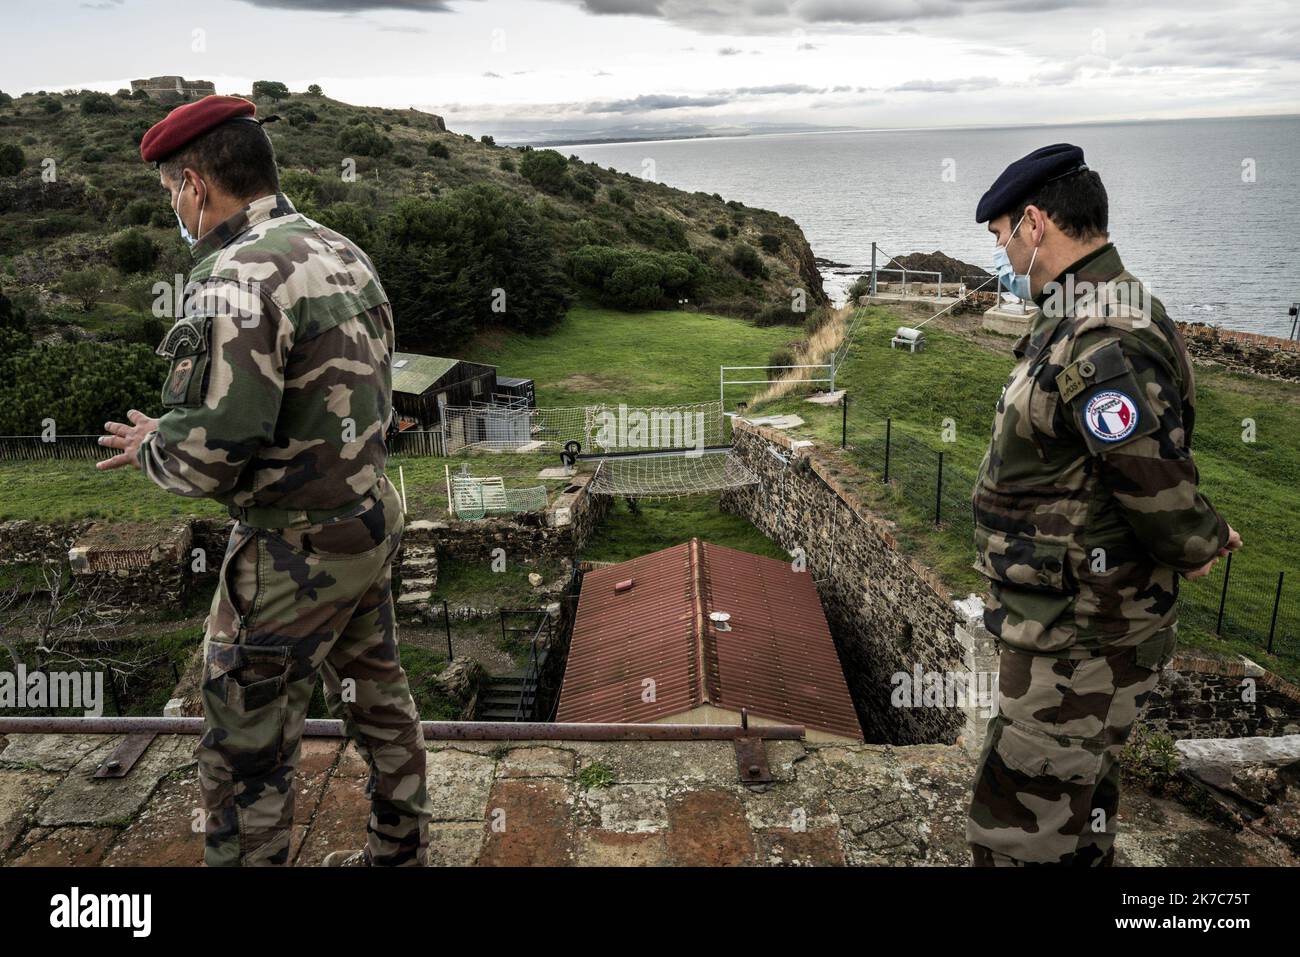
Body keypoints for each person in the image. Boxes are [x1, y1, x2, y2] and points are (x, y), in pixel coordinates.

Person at [97, 94, 432, 867]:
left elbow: (217, 450)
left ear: (194, 184)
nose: (174, 209)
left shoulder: (233, 276)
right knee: (380, 702)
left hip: (292, 554)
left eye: (170, 194)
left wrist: (156, 444)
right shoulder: (340, 249)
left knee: (244, 752)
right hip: (369, 520)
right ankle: (401, 852)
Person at [965, 143, 1241, 866]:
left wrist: (1201, 539)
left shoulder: (1102, 333)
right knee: (1077, 824)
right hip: (1066, 632)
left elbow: (1154, 483)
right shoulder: (1084, 310)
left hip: (1081, 640)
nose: (1000, 251)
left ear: (1033, 224)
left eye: (999, 236)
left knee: (1017, 839)